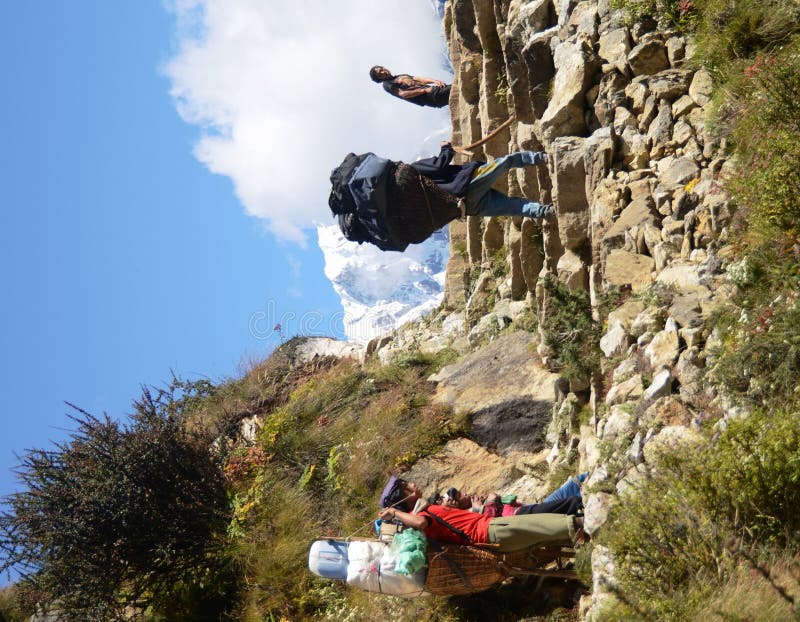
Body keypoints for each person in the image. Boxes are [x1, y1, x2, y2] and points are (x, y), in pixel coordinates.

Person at [379, 477, 583, 552]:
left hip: (490, 527)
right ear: (404, 499)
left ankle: (583, 522)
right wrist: (395, 512)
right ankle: (586, 523)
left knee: (542, 523)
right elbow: (421, 523)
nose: (413, 484)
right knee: (542, 525)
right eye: (407, 486)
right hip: (488, 532)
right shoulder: (422, 515)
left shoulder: (425, 509)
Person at [410, 141, 554, 220]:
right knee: (505, 162)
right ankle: (543, 158)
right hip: (467, 183)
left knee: (513, 207)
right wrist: (446, 148)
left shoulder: (409, 206)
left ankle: (547, 211)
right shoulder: (409, 172)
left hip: (466, 208)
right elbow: (438, 165)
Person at [439, 487, 583, 518]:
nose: (465, 493)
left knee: (572, 486)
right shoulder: (470, 513)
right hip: (519, 516)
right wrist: (490, 501)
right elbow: (490, 520)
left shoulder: (476, 504)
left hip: (524, 509)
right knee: (570, 501)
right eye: (459, 495)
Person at [370, 65, 451, 108]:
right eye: (380, 74)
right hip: (431, 96)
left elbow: (419, 79)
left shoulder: (401, 75)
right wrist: (424, 91)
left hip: (435, 90)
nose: (383, 72)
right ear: (380, 79)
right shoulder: (387, 84)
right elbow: (403, 94)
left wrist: (435, 81)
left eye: (381, 69)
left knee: (456, 90)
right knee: (456, 88)